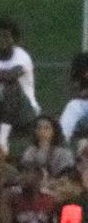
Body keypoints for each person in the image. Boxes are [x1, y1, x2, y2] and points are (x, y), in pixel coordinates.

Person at [0, 17, 39, 151]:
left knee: (11, 87)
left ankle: (2, 140)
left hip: (25, 111)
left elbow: (11, 75)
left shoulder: (21, 55)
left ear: (14, 39)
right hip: (2, 107)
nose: (2, 40)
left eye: (6, 36)